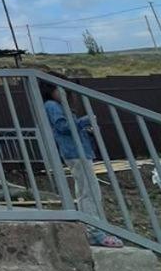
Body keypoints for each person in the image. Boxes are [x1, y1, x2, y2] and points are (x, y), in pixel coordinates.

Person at [41, 80, 123, 247]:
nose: (64, 93)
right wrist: (84, 121)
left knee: (87, 191)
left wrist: (85, 129)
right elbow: (62, 126)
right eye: (60, 89)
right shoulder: (51, 105)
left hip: (79, 152)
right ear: (51, 90)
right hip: (75, 152)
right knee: (90, 192)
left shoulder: (57, 106)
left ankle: (93, 229)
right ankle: (94, 232)